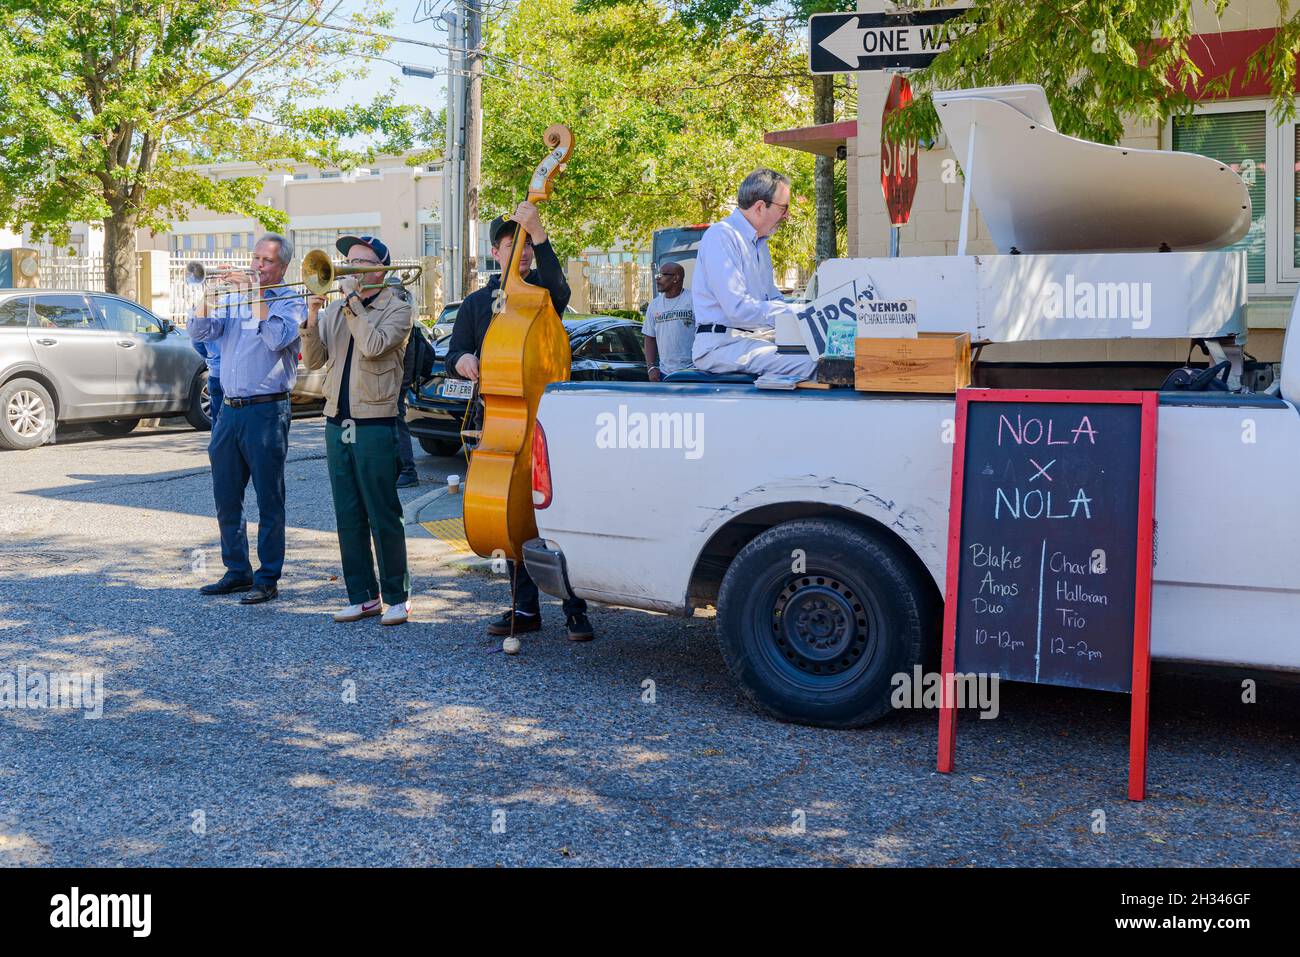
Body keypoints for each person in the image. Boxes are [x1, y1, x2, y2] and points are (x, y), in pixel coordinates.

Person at [445, 203, 595, 643]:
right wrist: (464, 360)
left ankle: (575, 608)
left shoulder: (544, 296)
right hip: (503, 422)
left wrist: (540, 232)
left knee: (558, 519)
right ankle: (524, 607)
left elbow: (563, 292)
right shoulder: (476, 304)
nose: (522, 251)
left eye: (526, 244)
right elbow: (454, 354)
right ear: (496, 252)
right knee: (512, 517)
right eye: (514, 244)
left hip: (549, 423)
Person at [301, 235, 415, 626]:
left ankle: (397, 596)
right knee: (347, 513)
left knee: (382, 512)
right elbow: (314, 361)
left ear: (380, 270)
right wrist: (313, 315)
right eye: (347, 261)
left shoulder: (397, 309)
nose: (348, 268)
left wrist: (349, 304)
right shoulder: (336, 310)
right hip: (337, 420)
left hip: (375, 423)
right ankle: (362, 595)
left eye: (360, 262)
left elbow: (373, 345)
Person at [189, 234, 303, 604]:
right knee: (226, 495)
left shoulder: (290, 300)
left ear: (282, 267)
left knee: (269, 498)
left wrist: (255, 296)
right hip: (229, 410)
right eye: (255, 259)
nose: (257, 266)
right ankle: (237, 570)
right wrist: (208, 296)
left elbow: (275, 338)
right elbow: (201, 332)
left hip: (267, 409)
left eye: (266, 262)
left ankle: (267, 577)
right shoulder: (235, 297)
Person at [691, 168, 818, 380]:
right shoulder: (722, 236)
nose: (786, 215)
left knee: (832, 355)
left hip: (751, 340)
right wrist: (800, 311)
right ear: (760, 207)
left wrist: (811, 307)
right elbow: (739, 310)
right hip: (721, 345)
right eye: (783, 208)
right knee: (814, 364)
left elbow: (772, 299)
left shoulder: (759, 243)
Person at [643, 262, 694, 380]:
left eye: (662, 275)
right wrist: (651, 367)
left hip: (693, 371)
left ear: (676, 278)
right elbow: (650, 337)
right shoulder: (654, 305)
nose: (657, 279)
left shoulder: (693, 300)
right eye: (657, 275)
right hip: (665, 374)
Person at [191, 337, 222, 427]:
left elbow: (197, 341)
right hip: (236, 376)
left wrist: (211, 357)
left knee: (217, 421)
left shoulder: (212, 322)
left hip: (216, 372)